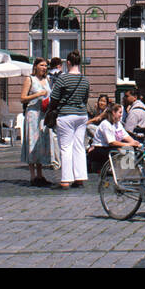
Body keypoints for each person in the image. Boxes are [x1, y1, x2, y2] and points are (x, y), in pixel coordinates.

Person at [47, 50, 90, 188]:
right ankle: (80, 178)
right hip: (82, 115)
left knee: (65, 147)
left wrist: (52, 109)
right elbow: (85, 99)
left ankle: (66, 179)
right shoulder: (85, 80)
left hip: (66, 115)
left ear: (68, 63)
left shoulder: (63, 79)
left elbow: (54, 99)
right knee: (79, 146)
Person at [21, 58, 52, 187]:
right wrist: (37, 95)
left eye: (46, 65)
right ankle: (33, 175)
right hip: (33, 114)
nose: (44, 67)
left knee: (41, 143)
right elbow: (23, 98)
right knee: (32, 142)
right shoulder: (30, 79)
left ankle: (40, 174)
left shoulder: (47, 80)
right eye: (42, 65)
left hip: (43, 114)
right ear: (36, 66)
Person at [91, 104, 136, 169]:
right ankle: (123, 173)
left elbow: (125, 136)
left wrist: (135, 143)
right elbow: (111, 142)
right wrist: (129, 144)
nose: (121, 115)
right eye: (120, 113)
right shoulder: (106, 124)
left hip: (111, 147)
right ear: (113, 112)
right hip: (101, 148)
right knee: (126, 151)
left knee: (131, 150)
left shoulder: (118, 123)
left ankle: (127, 173)